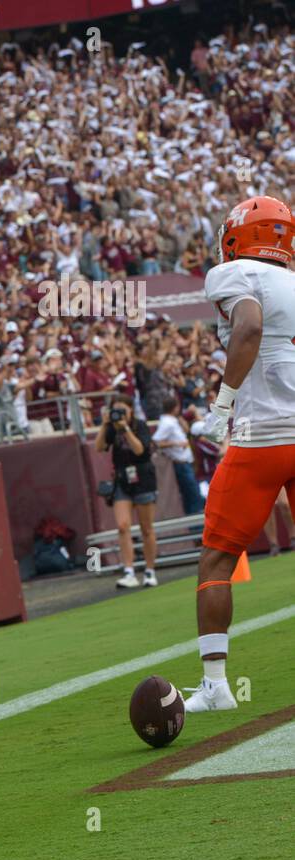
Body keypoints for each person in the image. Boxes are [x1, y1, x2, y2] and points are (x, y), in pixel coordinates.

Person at [188, 196, 295, 713]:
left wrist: (223, 404)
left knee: (217, 557)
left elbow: (249, 326)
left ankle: (216, 687)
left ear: (237, 235)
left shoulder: (231, 273)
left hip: (262, 435)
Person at [96, 392, 158, 589]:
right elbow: (99, 447)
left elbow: (140, 450)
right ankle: (129, 570)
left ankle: (149, 570)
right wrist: (106, 425)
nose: (120, 413)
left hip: (143, 478)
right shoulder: (111, 428)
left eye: (123, 409)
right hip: (122, 480)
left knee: (146, 528)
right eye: (116, 410)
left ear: (131, 409)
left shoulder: (140, 426)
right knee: (123, 526)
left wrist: (126, 430)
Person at [153, 394, 204, 516]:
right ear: (175, 407)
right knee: (193, 494)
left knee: (190, 495)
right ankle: (196, 527)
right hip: (180, 464)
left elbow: (187, 430)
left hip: (184, 463)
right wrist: (177, 443)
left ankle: (194, 526)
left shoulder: (172, 420)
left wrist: (180, 418)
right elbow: (156, 441)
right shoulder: (167, 423)